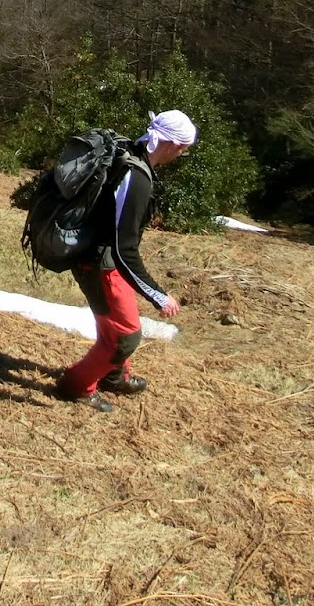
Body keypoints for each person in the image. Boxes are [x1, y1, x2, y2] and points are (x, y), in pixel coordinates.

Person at [56, 109, 195, 412]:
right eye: (183, 150)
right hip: (101, 265)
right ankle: (76, 386)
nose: (181, 155)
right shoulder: (137, 178)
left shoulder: (131, 153)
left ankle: (114, 375)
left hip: (99, 259)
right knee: (125, 336)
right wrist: (158, 295)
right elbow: (124, 249)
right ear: (172, 144)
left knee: (116, 323)